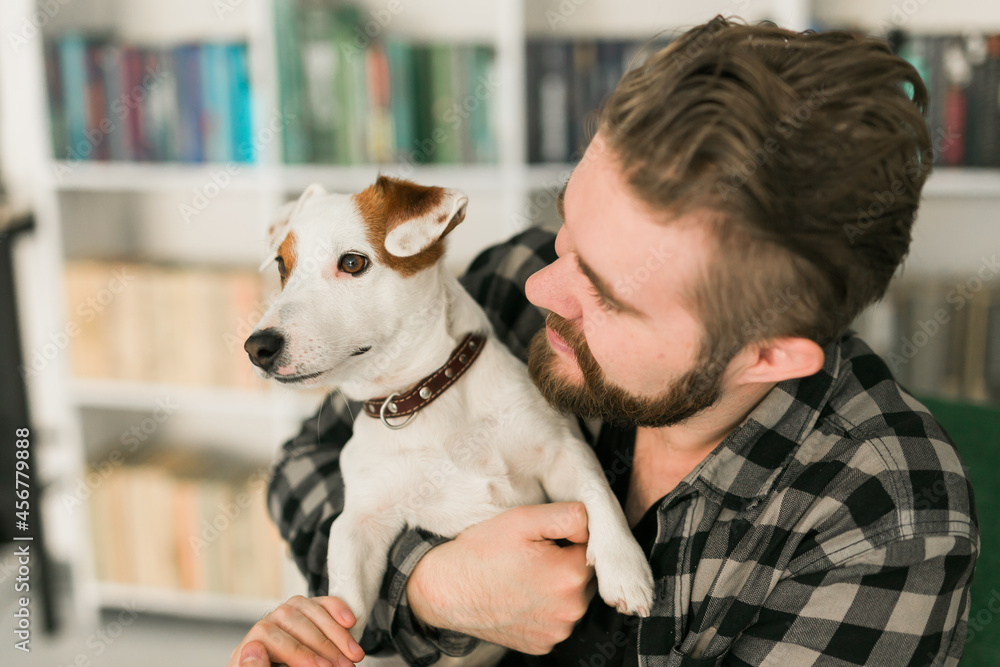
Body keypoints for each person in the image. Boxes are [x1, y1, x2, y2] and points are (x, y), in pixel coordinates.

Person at [228, 15, 979, 667]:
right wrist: (431, 584)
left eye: (611, 296)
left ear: (770, 355)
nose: (541, 290)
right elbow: (306, 464)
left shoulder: (887, 525)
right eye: (568, 232)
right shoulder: (511, 278)